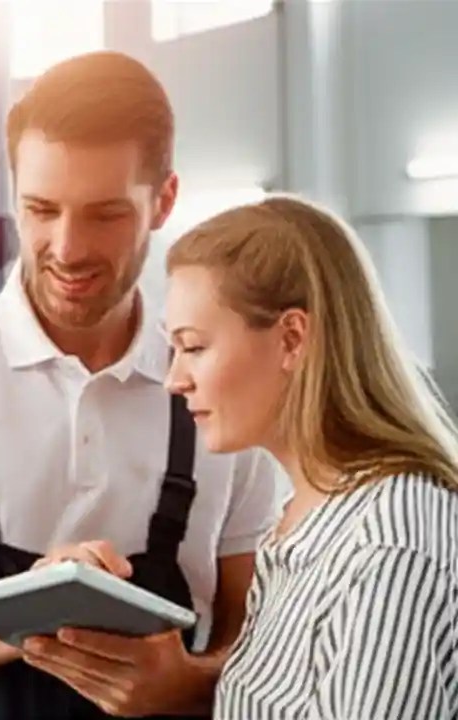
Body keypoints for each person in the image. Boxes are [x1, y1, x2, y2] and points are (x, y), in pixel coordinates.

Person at [0, 51, 282, 719]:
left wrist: (188, 683)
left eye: (105, 215)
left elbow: (252, 634)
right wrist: (30, 610)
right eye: (41, 210)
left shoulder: (216, 390)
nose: (67, 248)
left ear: (163, 201)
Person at [161, 195, 458, 719]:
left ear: (292, 339)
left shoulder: (387, 543)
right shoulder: (300, 519)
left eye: (195, 346)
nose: (175, 379)